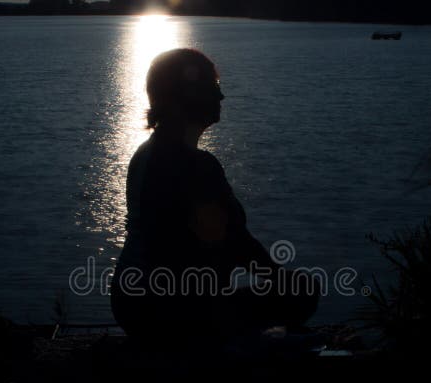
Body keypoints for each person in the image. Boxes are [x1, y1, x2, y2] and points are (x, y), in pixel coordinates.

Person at [110, 48, 317, 345]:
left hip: (130, 304)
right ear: (187, 95)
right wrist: (285, 283)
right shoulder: (196, 165)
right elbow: (237, 243)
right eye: (213, 88)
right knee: (303, 291)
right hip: (169, 310)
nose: (221, 98)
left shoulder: (144, 154)